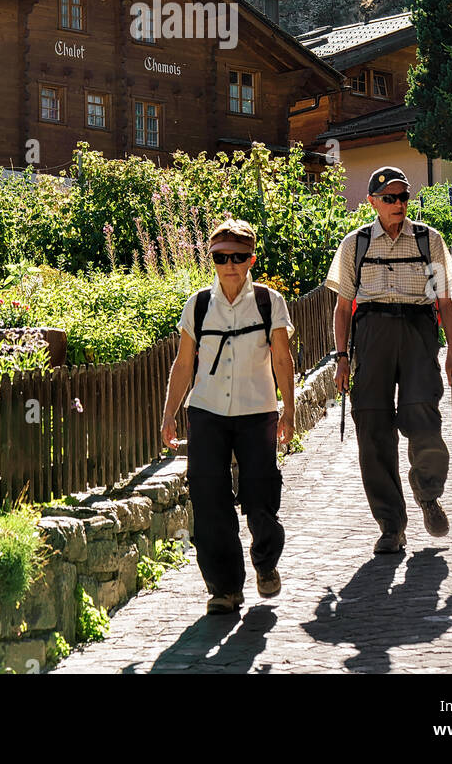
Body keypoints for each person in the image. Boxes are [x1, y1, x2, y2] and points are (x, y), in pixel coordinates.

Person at [161, 218, 296, 615]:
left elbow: (282, 358)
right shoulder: (200, 304)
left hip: (257, 412)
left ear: (251, 258)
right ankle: (224, 588)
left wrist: (288, 408)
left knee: (261, 496)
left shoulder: (270, 302)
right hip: (207, 412)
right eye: (222, 257)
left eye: (238, 257)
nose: (230, 264)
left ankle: (266, 561)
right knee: (209, 500)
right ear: (213, 259)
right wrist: (169, 414)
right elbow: (184, 364)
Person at [325, 167, 452, 555]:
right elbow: (341, 307)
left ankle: (428, 493)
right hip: (371, 335)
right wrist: (341, 358)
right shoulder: (355, 244)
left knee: (423, 416)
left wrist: (451, 350)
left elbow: (445, 302)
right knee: (372, 427)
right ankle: (391, 526)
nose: (398, 204)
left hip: (418, 332)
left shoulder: (428, 239)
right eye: (390, 198)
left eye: (403, 197)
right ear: (372, 202)